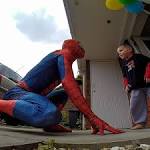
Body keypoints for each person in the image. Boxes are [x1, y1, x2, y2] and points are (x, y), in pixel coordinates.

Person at [0, 39, 123, 135]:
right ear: (70, 45)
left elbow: (69, 89)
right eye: (79, 44)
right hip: (17, 95)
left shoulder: (65, 60)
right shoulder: (63, 54)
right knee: (49, 114)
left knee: (63, 93)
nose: (81, 46)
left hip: (27, 102)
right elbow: (71, 86)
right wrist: (92, 117)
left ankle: (49, 125)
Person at [117, 43, 150, 129]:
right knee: (134, 105)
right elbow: (125, 76)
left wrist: (148, 75)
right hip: (135, 87)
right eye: (118, 52)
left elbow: (149, 63)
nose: (119, 53)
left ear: (129, 49)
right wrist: (126, 85)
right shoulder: (123, 63)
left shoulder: (138, 57)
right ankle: (140, 123)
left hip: (147, 84)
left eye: (121, 50)